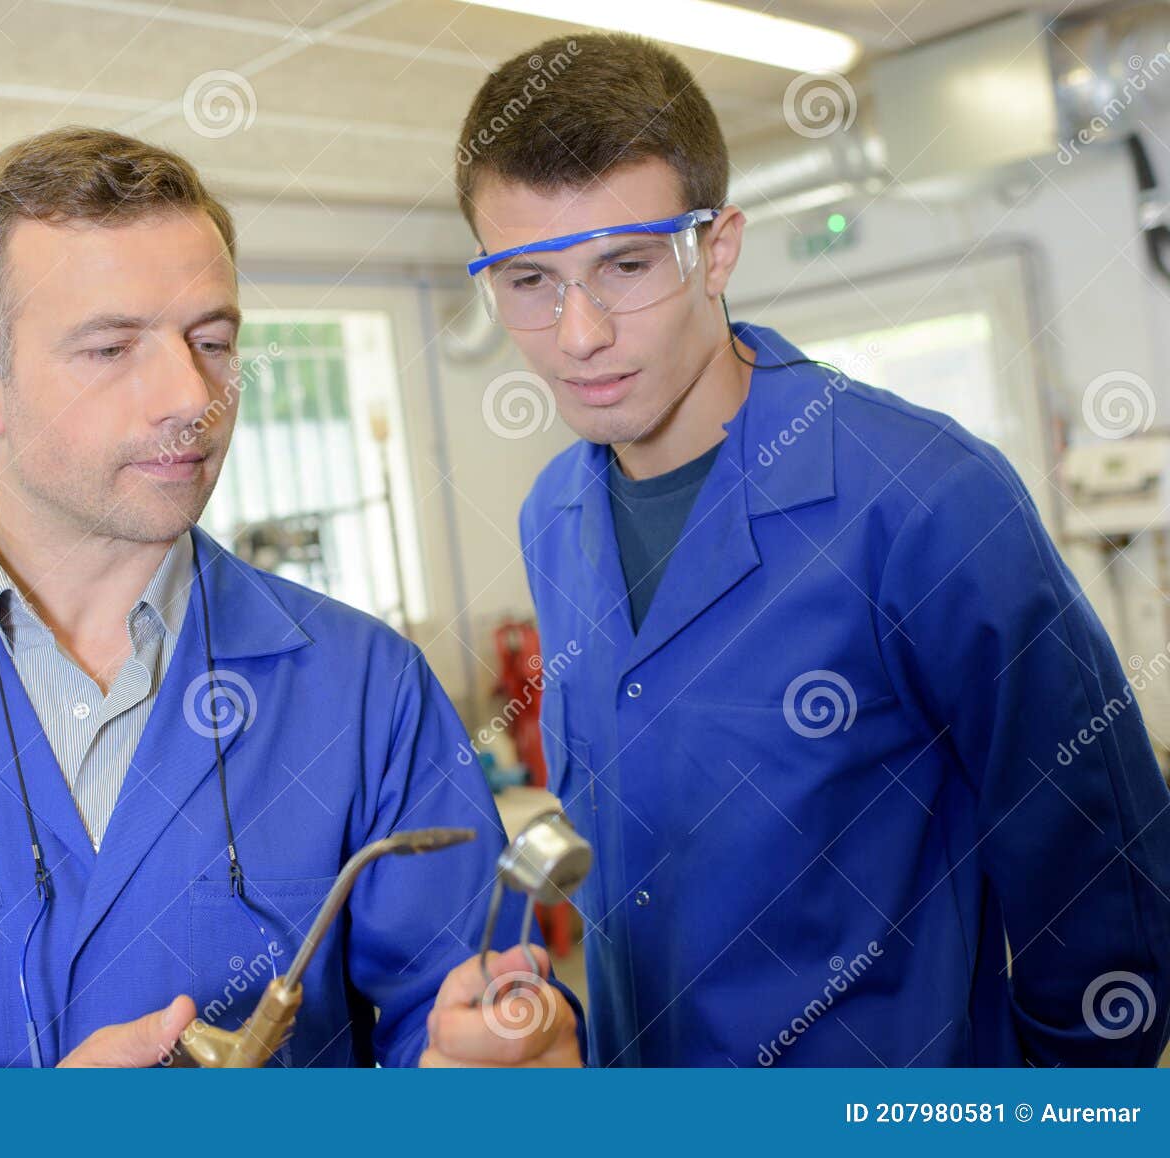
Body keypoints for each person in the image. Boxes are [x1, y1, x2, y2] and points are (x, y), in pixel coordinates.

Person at [0, 127, 579, 1068]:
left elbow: (455, 1010)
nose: (192, 394)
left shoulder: (366, 686)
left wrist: (498, 1067)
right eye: (109, 348)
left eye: (211, 341)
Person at [455, 32, 1170, 1066]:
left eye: (625, 264)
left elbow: (1106, 884)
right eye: (527, 280)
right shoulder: (551, 517)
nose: (577, 334)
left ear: (719, 248)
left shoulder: (924, 499)